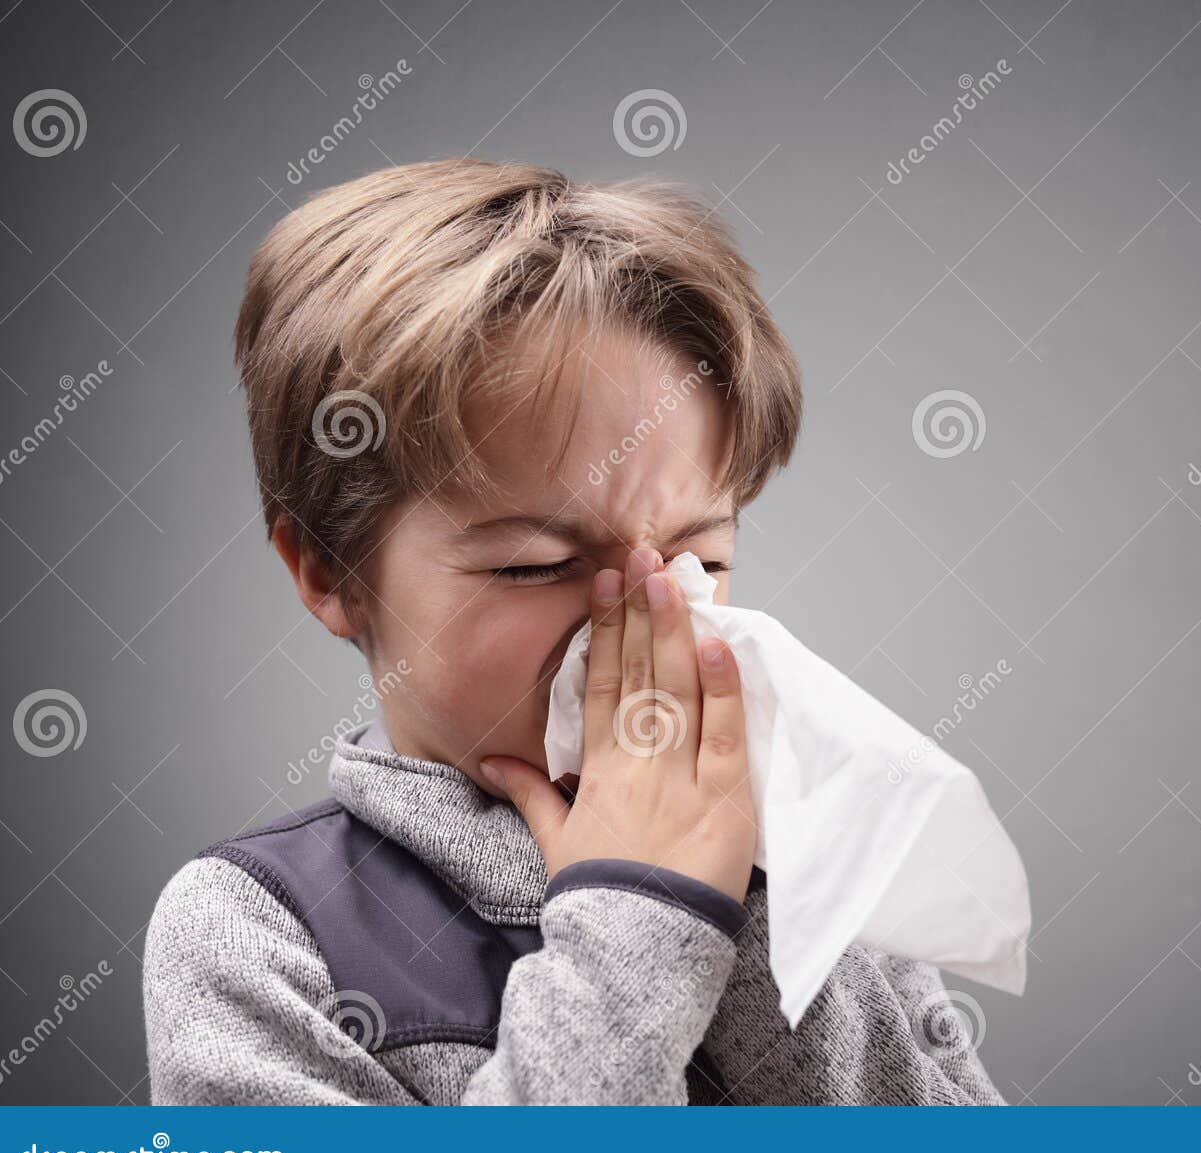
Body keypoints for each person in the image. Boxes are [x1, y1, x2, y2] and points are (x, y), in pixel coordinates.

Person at [143, 160, 1003, 1105]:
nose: (648, 615)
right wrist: (636, 917)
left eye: (700, 558)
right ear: (328, 572)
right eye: (536, 565)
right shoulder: (261, 933)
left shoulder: (808, 850)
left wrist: (750, 897)